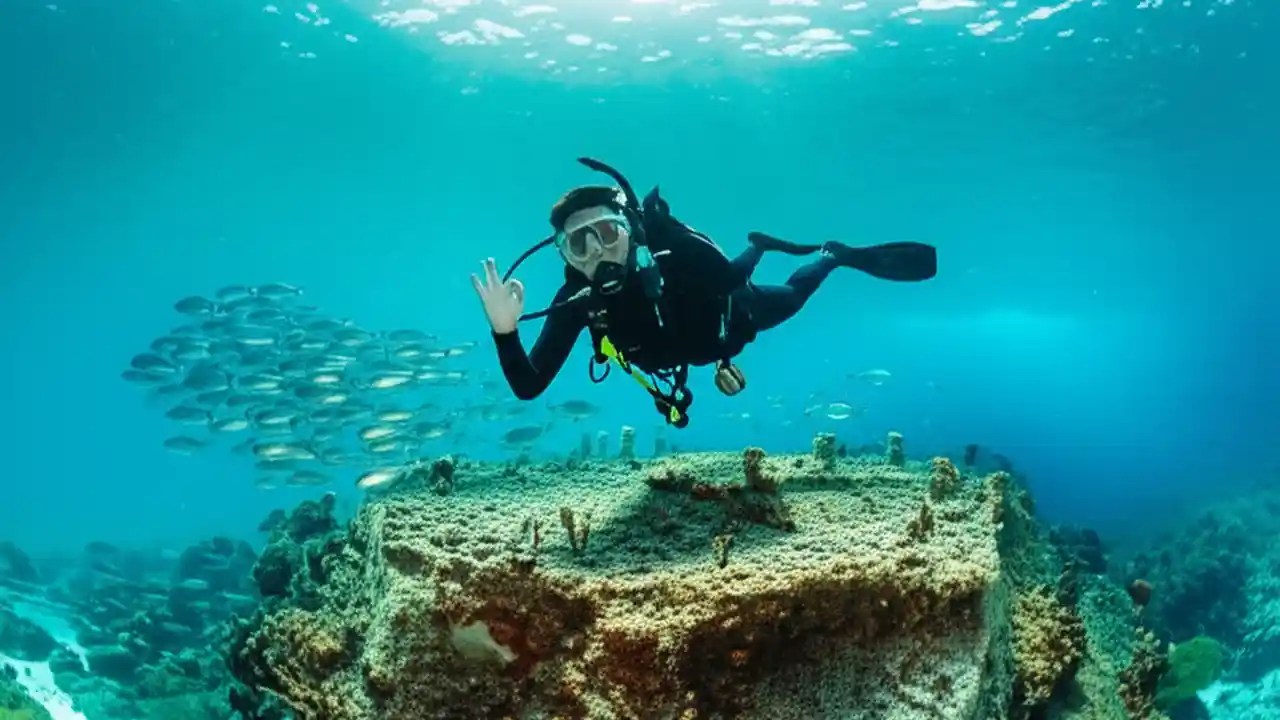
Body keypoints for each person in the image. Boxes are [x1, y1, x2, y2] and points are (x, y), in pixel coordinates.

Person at [471, 157, 937, 428]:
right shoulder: (578, 302)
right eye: (579, 243)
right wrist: (504, 329)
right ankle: (765, 245)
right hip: (683, 349)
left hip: (733, 316)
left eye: (608, 234)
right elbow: (529, 386)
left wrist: (724, 353)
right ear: (567, 257)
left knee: (792, 297)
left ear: (632, 231)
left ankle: (828, 256)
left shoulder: (675, 255)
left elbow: (730, 279)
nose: (598, 254)